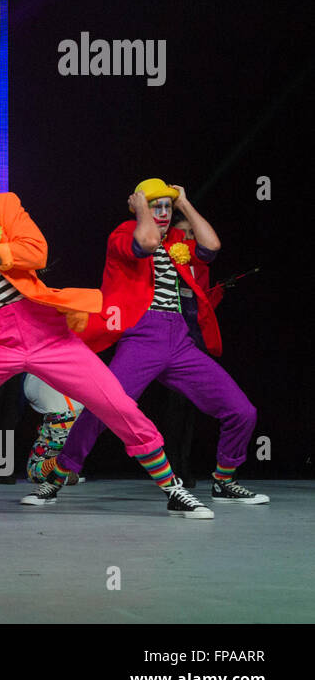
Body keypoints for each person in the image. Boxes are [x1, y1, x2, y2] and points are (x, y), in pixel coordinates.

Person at [0, 142, 210, 520]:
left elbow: (37, 252)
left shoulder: (1, 205)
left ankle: (173, 488)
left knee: (116, 404)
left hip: (43, 331)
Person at [35, 179, 267, 505]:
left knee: (242, 411)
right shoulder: (123, 233)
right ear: (140, 207)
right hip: (142, 336)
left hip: (180, 340)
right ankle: (60, 472)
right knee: (105, 406)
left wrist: (184, 203)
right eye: (155, 205)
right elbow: (143, 241)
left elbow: (211, 246)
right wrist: (139, 208)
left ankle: (224, 478)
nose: (162, 212)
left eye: (167, 207)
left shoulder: (176, 242)